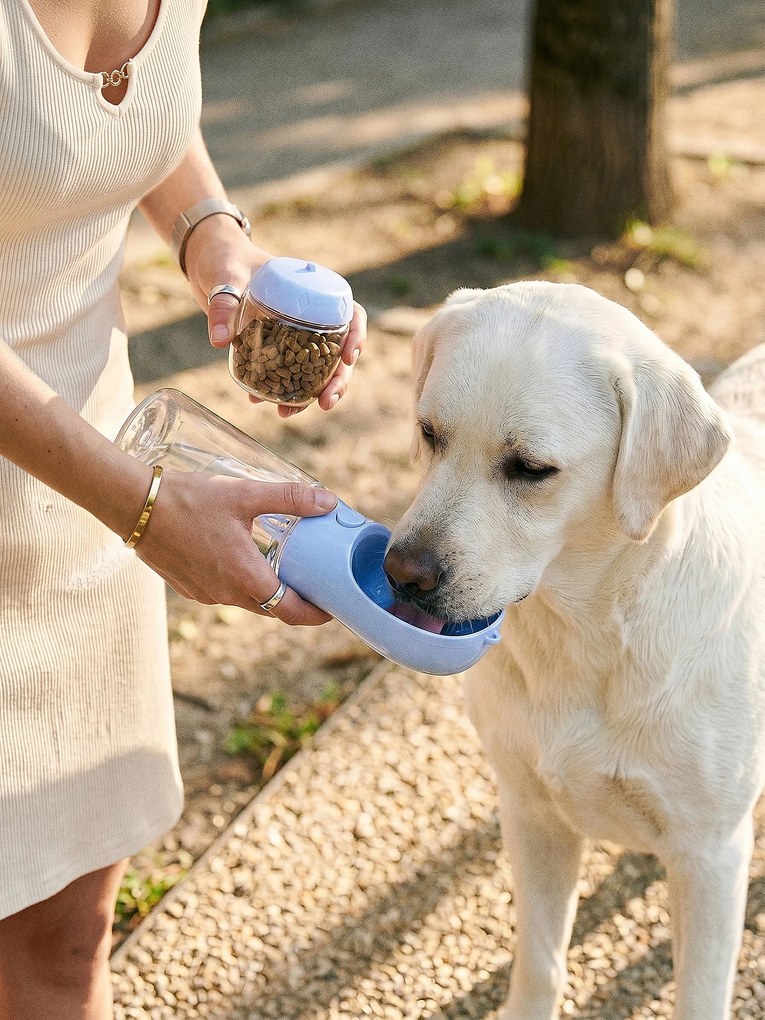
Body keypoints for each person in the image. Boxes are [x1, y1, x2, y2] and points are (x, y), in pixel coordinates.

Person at [0, 1, 366, 1017]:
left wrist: (217, 243)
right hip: (107, 492)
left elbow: (110, 116)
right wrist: (150, 512)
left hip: (78, 504)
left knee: (66, 946)